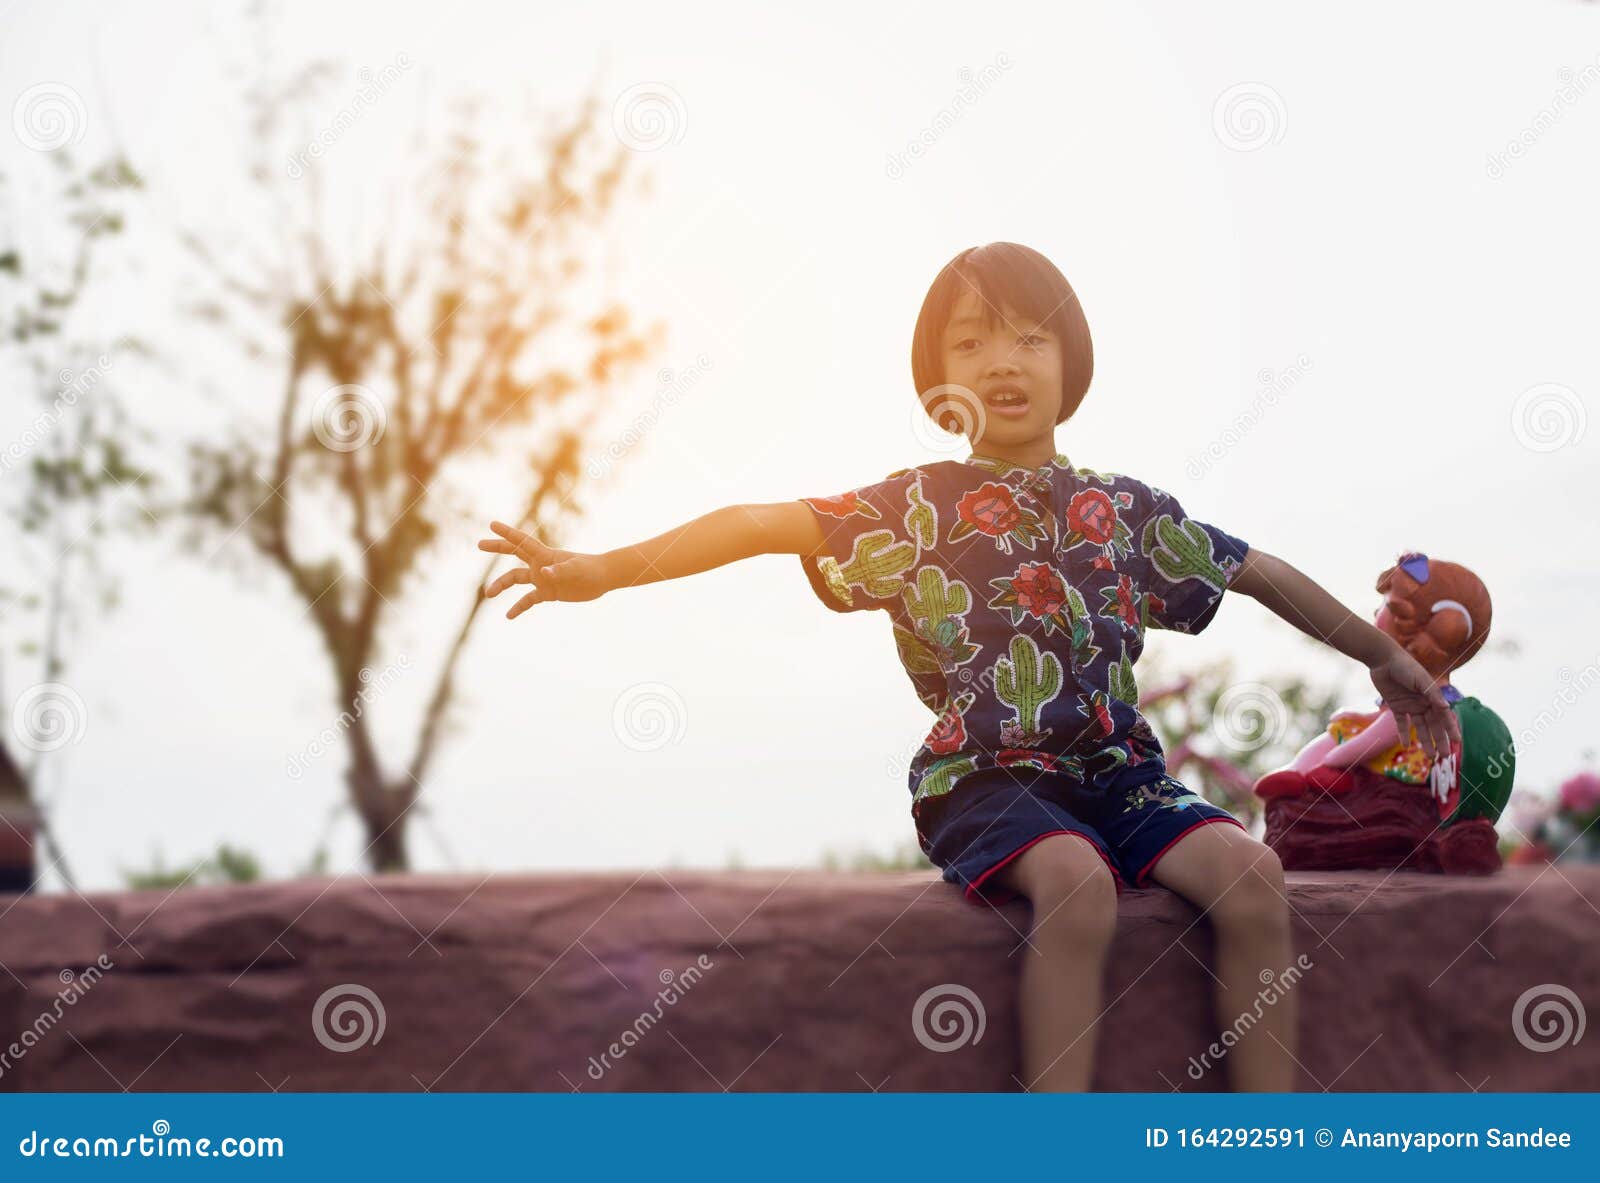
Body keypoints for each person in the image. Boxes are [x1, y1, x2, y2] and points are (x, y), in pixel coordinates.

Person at [477, 241, 1460, 1092]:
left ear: (1069, 362)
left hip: (1119, 776)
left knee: (1250, 876)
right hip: (984, 779)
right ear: (936, 375)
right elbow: (757, 524)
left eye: (1030, 337)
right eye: (971, 341)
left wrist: (1382, 657)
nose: (1002, 361)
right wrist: (602, 570)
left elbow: (1254, 570)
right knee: (1075, 887)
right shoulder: (915, 507)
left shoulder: (1127, 511)